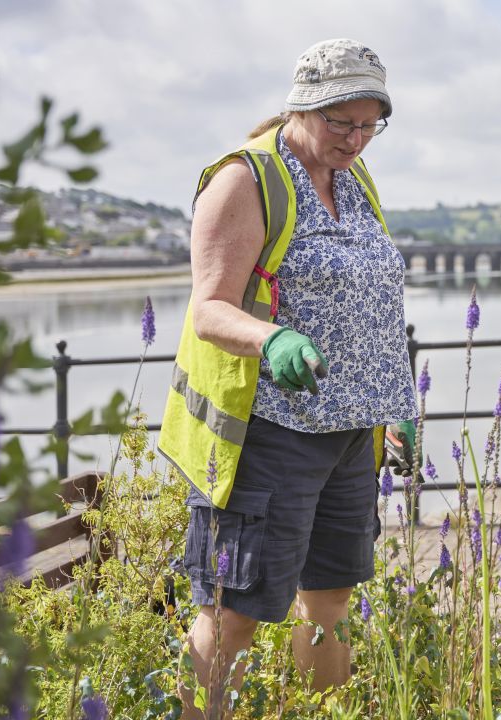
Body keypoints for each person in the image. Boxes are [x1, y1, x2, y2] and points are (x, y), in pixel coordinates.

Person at [157, 39, 416, 715]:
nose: (357, 139)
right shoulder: (245, 179)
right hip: (270, 433)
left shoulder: (354, 179)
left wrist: (396, 404)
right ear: (304, 105)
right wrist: (273, 339)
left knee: (329, 600)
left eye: (370, 125)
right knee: (234, 608)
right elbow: (210, 307)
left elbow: (374, 304)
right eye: (342, 123)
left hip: (350, 436)